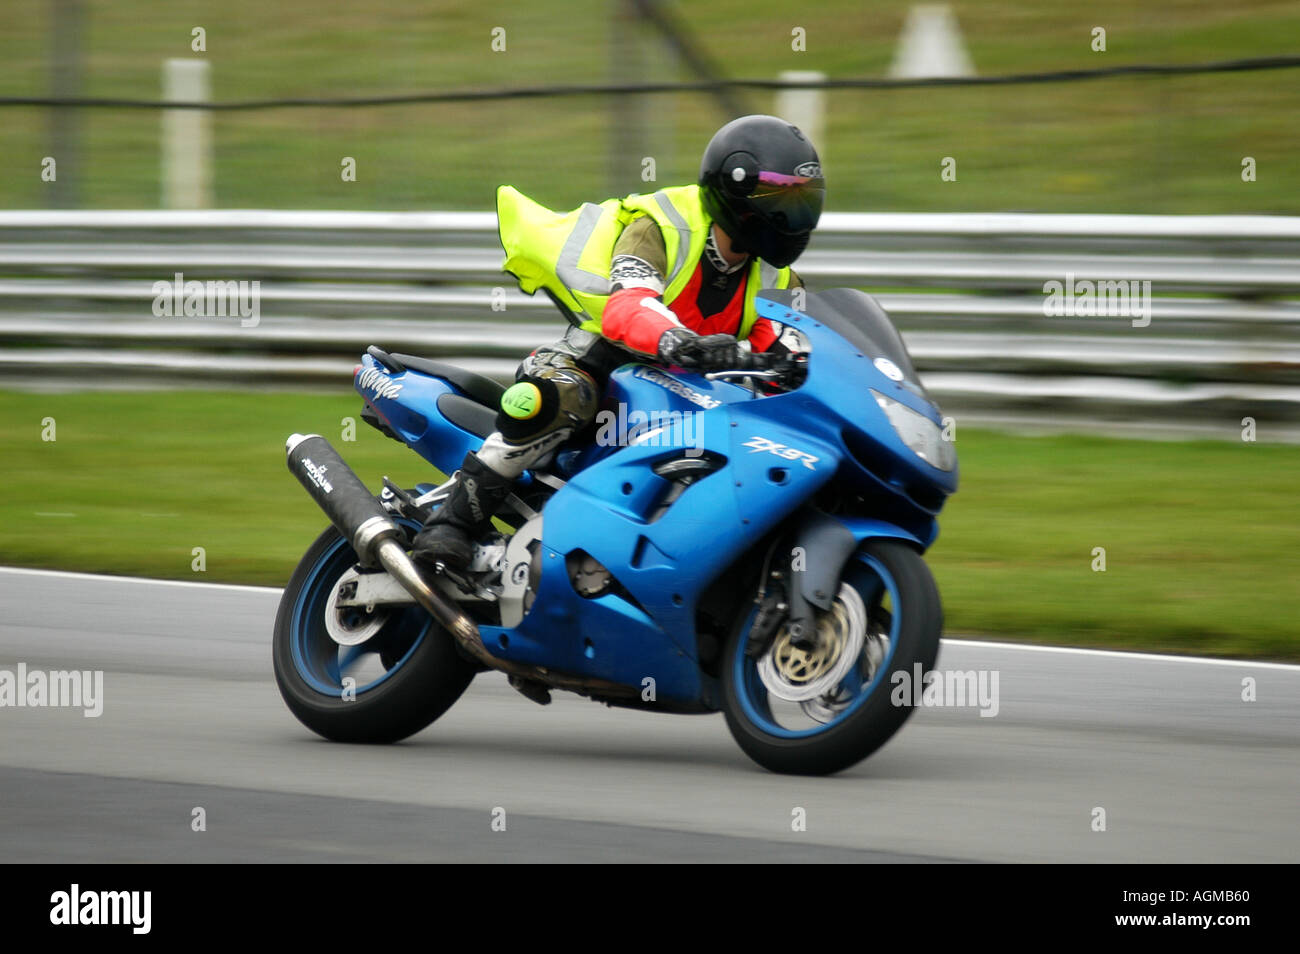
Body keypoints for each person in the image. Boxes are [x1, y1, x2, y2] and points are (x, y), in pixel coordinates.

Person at [412, 114, 826, 572]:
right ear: (736, 189)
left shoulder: (777, 275)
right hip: (606, 360)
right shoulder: (661, 226)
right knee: (557, 395)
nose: (793, 215)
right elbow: (628, 304)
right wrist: (678, 340)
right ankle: (451, 523)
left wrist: (806, 366)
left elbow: (790, 343)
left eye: (802, 199)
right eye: (778, 197)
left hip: (700, 390)